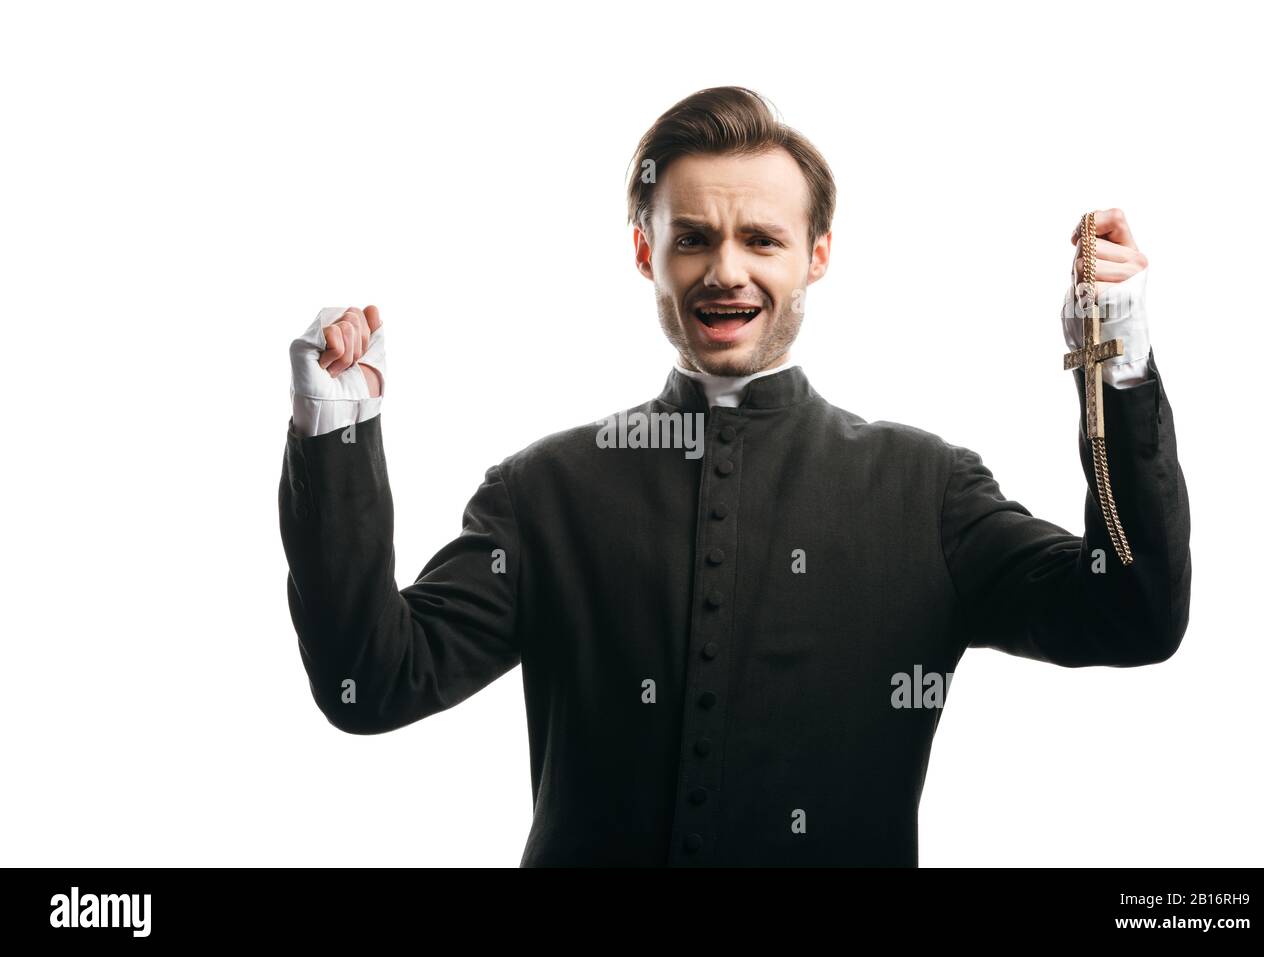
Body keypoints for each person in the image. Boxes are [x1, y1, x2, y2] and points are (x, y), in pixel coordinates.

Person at [278, 86, 1190, 866]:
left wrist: (1114, 364)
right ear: (646, 252)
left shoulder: (929, 491)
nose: (727, 271)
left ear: (816, 255)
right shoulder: (543, 492)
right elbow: (371, 681)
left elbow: (1135, 614)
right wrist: (336, 425)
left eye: (761, 238)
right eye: (692, 239)